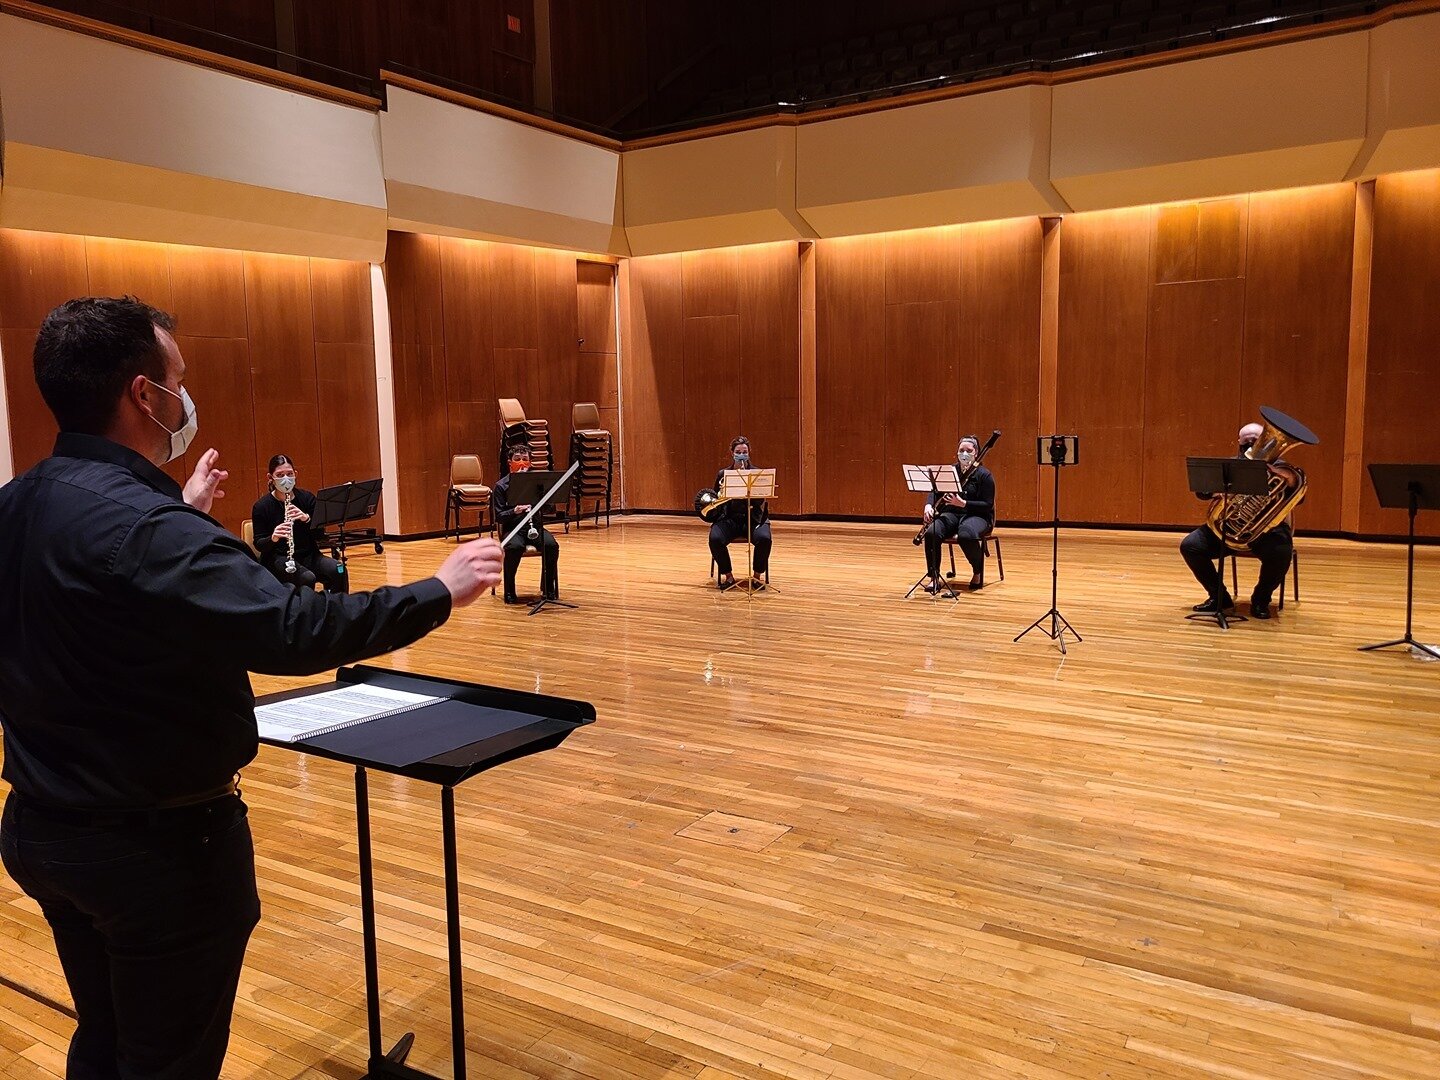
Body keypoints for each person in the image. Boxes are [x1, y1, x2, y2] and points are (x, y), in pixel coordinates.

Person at [0, 296, 502, 1080]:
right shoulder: (152, 533)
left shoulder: (18, 504)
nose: (185, 397)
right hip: (156, 853)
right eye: (178, 379)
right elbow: (298, 629)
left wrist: (180, 517)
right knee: (168, 1062)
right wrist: (437, 589)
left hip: (43, 829)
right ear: (143, 395)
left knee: (104, 1037)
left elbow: (93, 608)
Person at [1180, 420, 1298, 620]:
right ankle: (1219, 598)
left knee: (1281, 552)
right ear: (1239, 441)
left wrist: (1285, 475)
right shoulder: (1229, 465)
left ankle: (1261, 599)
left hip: (1267, 532)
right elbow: (1203, 491)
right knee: (1190, 546)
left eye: (1256, 440)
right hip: (1228, 528)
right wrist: (1218, 491)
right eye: (1247, 440)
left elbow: (1298, 490)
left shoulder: (1281, 467)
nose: (1251, 444)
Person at [250, 454, 347, 593]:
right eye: (280, 475)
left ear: (295, 474)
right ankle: (305, 613)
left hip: (309, 556)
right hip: (279, 559)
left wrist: (306, 519)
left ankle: (336, 611)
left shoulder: (307, 499)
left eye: (289, 474)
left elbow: (320, 536)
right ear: (270, 478)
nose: (285, 479)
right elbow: (259, 544)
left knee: (339, 569)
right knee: (307, 578)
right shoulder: (261, 506)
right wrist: (273, 538)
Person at [920, 435, 996, 592]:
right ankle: (934, 577)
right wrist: (928, 505)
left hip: (978, 515)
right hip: (952, 514)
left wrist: (964, 503)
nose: (964, 454)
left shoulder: (984, 475)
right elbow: (935, 491)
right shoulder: (950, 471)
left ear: (976, 453)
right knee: (932, 532)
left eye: (969, 450)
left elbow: (987, 505)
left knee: (966, 535)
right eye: (961, 450)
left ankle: (977, 571)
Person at [490, 444, 559, 604]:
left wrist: (542, 500)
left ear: (530, 463)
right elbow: (499, 516)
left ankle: (548, 588)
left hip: (535, 527)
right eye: (517, 459)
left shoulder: (538, 483)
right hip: (513, 529)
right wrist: (514, 510)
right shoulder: (501, 486)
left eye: (525, 459)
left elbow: (550, 509)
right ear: (510, 462)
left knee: (551, 546)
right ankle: (509, 591)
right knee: (514, 548)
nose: (521, 463)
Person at [709, 436, 771, 591]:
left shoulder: (757, 473)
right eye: (738, 452)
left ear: (749, 452)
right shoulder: (723, 474)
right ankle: (729, 577)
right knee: (715, 538)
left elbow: (760, 502)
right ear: (732, 453)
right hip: (730, 519)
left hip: (754, 518)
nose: (741, 455)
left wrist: (748, 492)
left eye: (744, 452)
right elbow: (715, 498)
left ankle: (757, 577)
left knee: (764, 538)